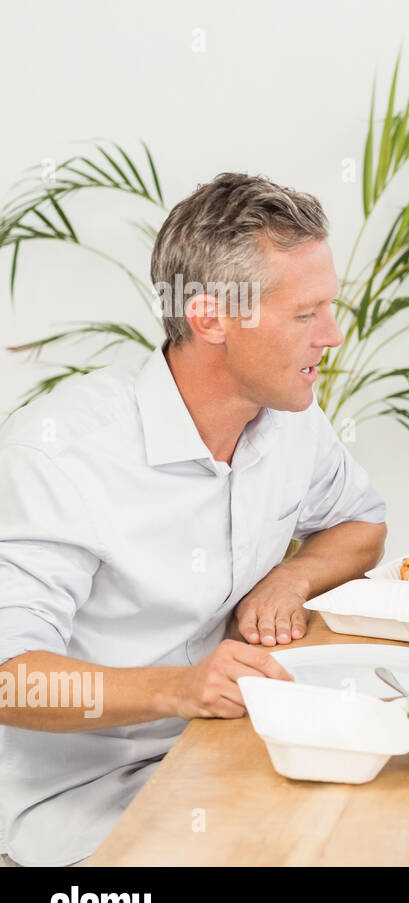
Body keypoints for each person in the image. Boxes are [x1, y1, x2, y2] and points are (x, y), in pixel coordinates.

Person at [0, 173, 387, 866]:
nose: (332, 336)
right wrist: (175, 687)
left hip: (230, 750)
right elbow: (11, 678)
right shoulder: (62, 454)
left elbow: (361, 526)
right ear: (209, 318)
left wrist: (293, 577)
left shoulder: (290, 417)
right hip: (82, 807)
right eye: (305, 315)